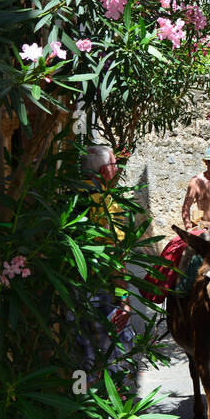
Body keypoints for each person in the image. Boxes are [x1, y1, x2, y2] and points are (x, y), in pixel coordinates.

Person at [76, 141, 137, 392]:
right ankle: (110, 412)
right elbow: (115, 258)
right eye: (114, 164)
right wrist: (123, 299)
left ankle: (82, 408)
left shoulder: (73, 195)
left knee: (82, 354)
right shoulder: (105, 203)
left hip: (74, 291)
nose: (117, 169)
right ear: (104, 172)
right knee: (115, 354)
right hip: (101, 293)